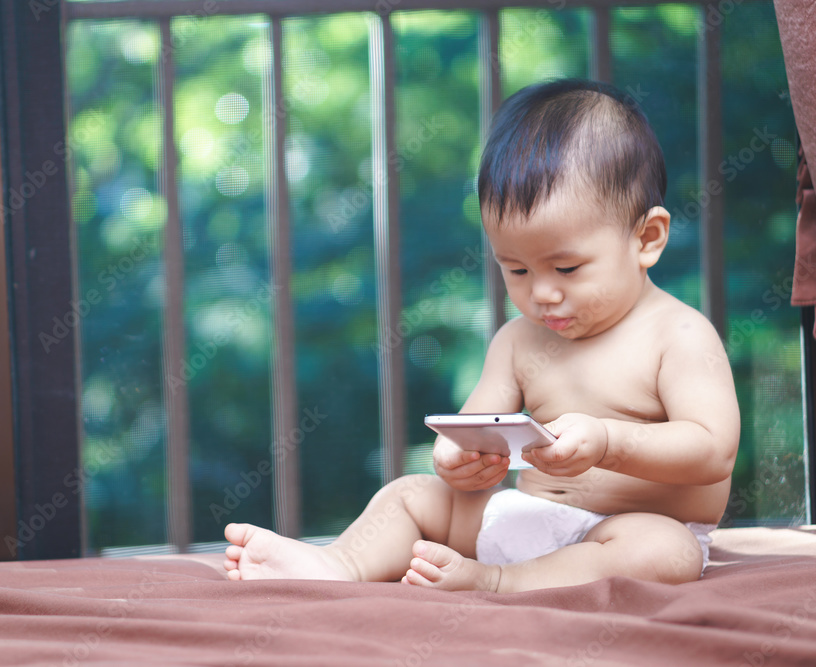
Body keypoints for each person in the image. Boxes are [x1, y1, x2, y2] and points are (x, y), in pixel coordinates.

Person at [222, 78, 741, 593]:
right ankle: (339, 565)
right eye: (516, 270)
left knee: (665, 551)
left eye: (566, 268)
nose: (542, 294)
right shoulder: (519, 341)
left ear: (646, 238)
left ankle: (497, 581)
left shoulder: (679, 334)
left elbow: (712, 450)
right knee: (409, 494)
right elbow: (471, 429)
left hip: (622, 535)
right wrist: (457, 459)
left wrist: (609, 441)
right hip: (526, 519)